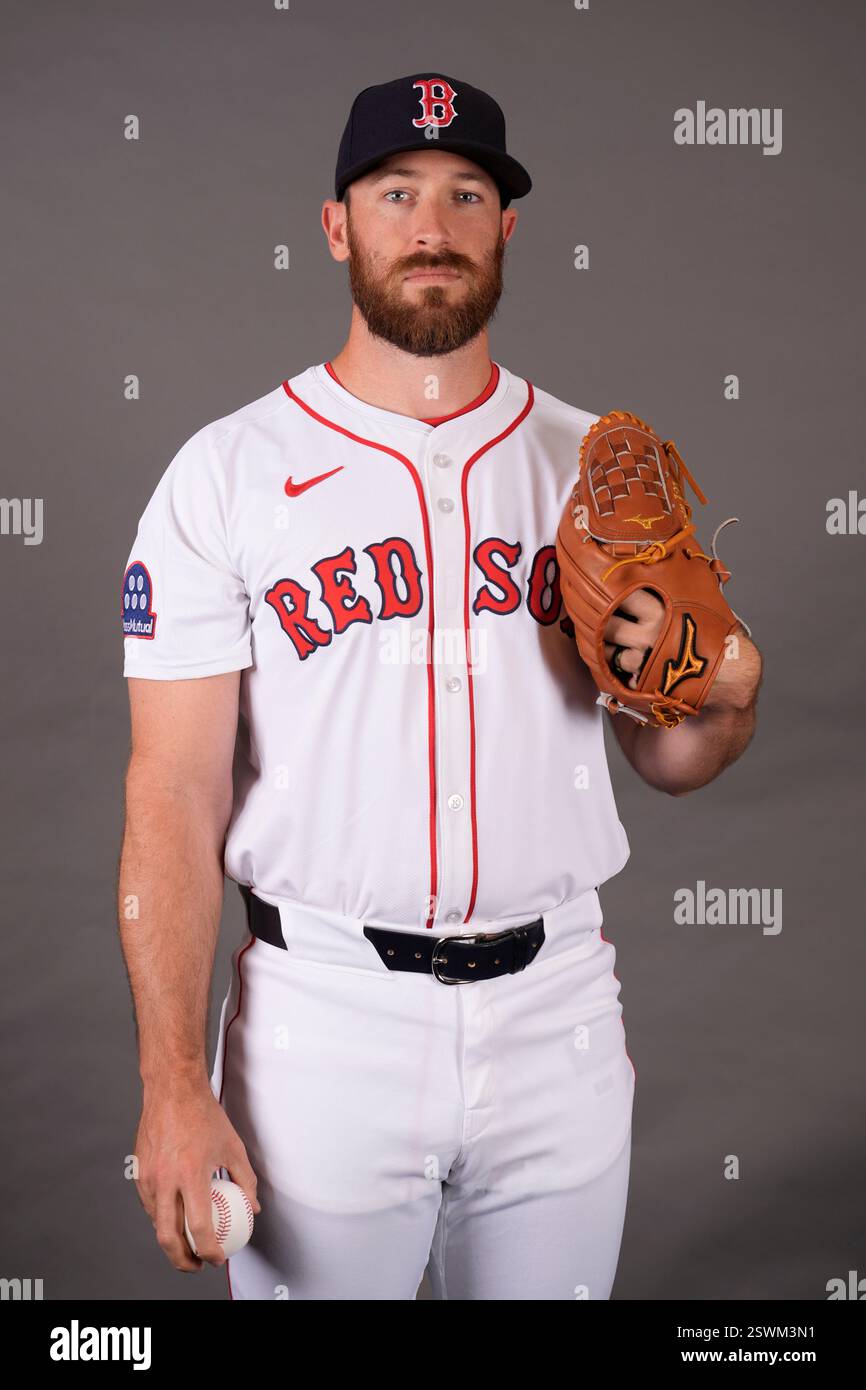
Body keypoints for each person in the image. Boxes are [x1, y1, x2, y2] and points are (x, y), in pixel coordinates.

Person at [118, 72, 762, 1300]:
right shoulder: (225, 476)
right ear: (336, 225)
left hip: (557, 1008)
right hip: (322, 1021)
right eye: (395, 192)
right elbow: (173, 793)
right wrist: (170, 1083)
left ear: (506, 229)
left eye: (466, 194)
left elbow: (669, 759)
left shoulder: (588, 466)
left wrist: (730, 685)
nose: (430, 226)